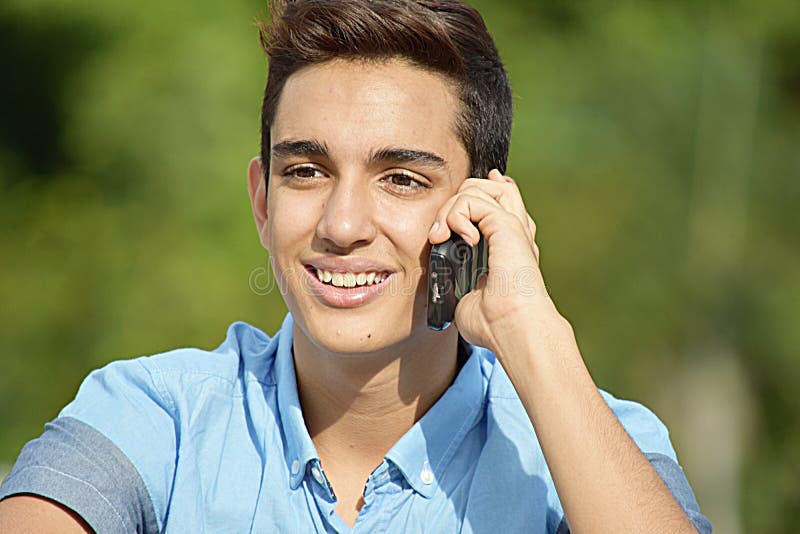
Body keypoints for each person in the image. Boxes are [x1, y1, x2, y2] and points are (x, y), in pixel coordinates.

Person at [0, 1, 711, 532]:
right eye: (307, 171)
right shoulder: (155, 415)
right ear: (261, 199)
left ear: (484, 210)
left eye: (401, 178)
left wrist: (536, 336)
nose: (341, 225)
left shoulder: (588, 440)